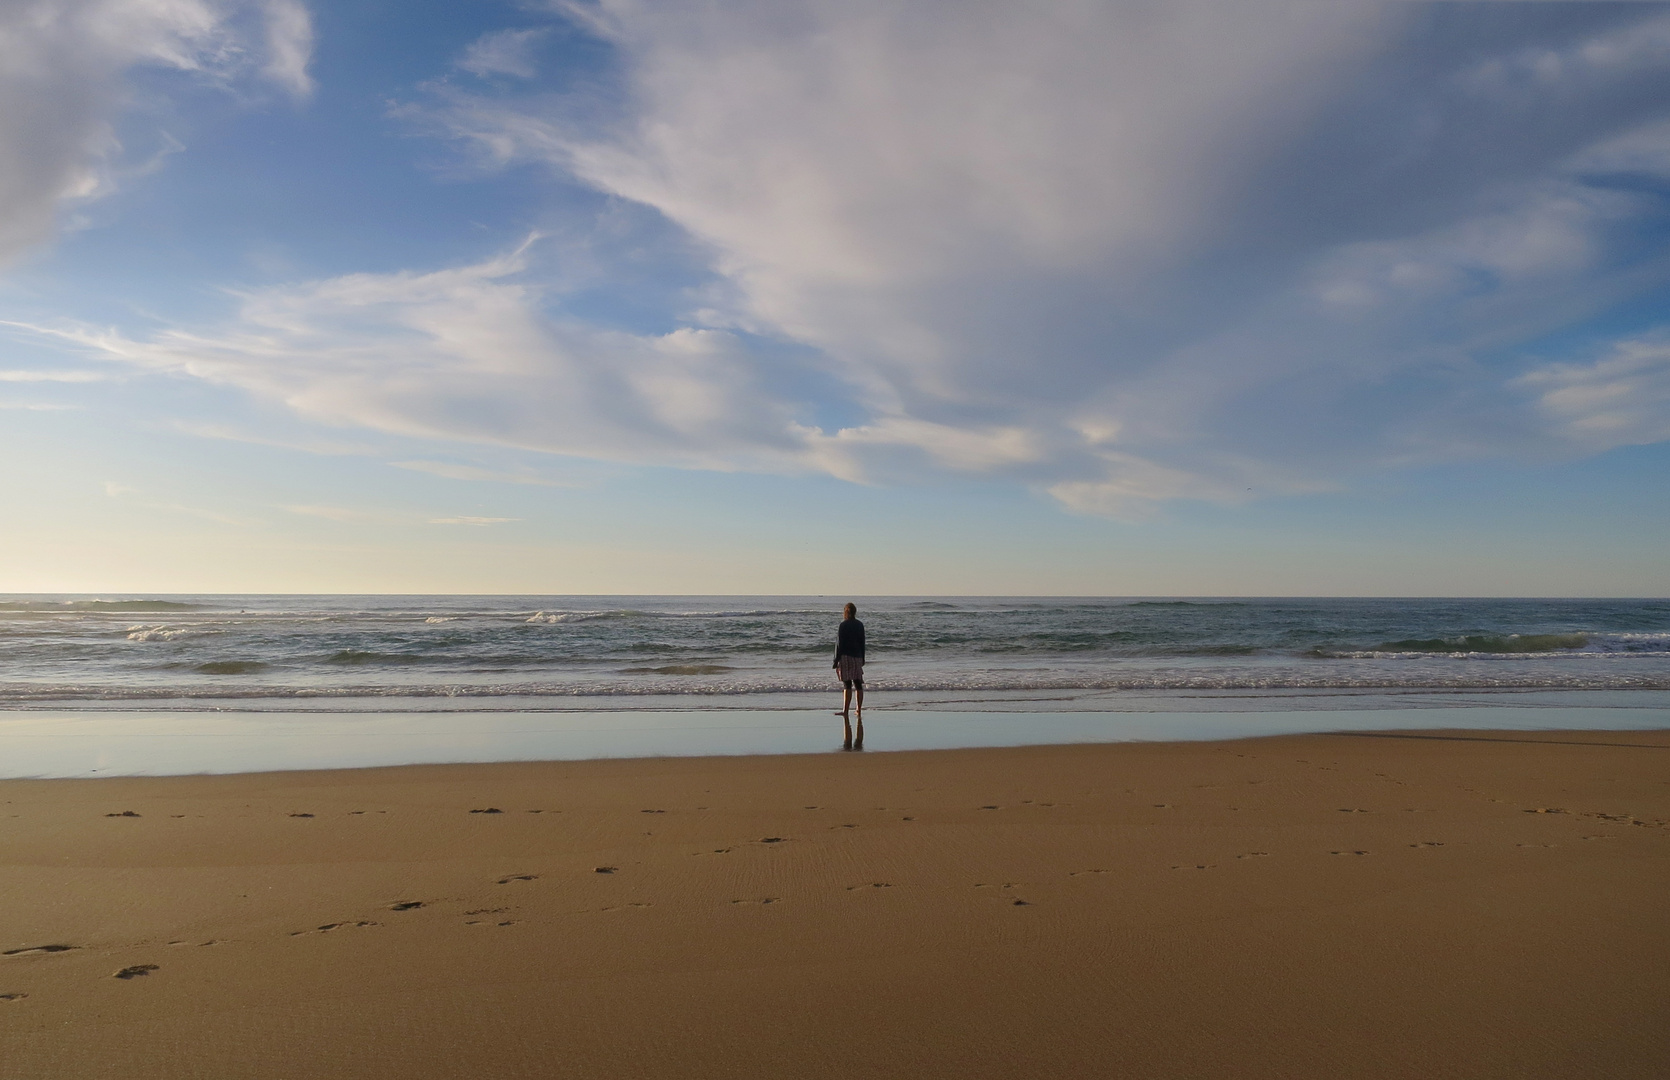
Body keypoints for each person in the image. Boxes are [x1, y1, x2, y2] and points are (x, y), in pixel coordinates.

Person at [833, 602, 865, 750]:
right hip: (857, 655)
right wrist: (863, 658)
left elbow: (838, 644)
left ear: (846, 612)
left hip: (845, 656)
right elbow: (862, 642)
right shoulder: (860, 625)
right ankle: (858, 708)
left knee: (847, 684)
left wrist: (835, 661)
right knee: (858, 683)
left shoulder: (843, 625)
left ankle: (845, 711)